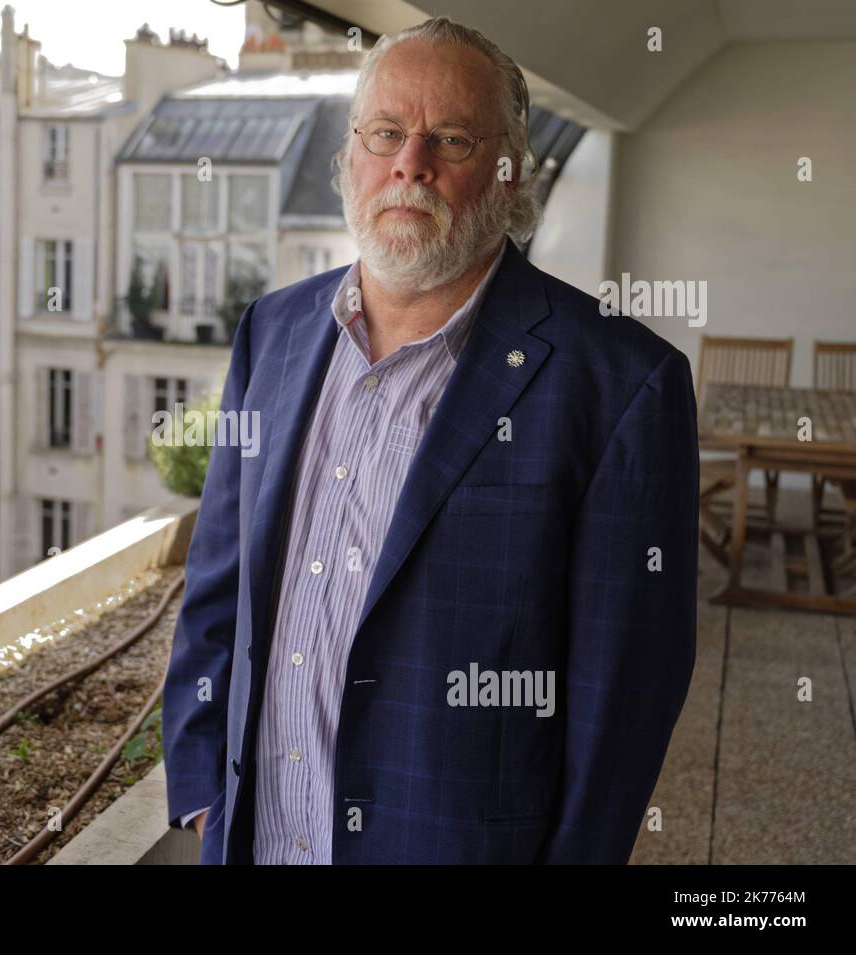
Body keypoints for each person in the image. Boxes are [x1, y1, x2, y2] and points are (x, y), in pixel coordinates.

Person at [162, 16, 699, 864]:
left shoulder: (623, 385)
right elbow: (218, 588)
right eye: (385, 133)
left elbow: (624, 693)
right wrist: (201, 795)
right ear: (351, 154)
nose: (410, 164)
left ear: (510, 170)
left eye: (450, 138)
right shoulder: (273, 332)